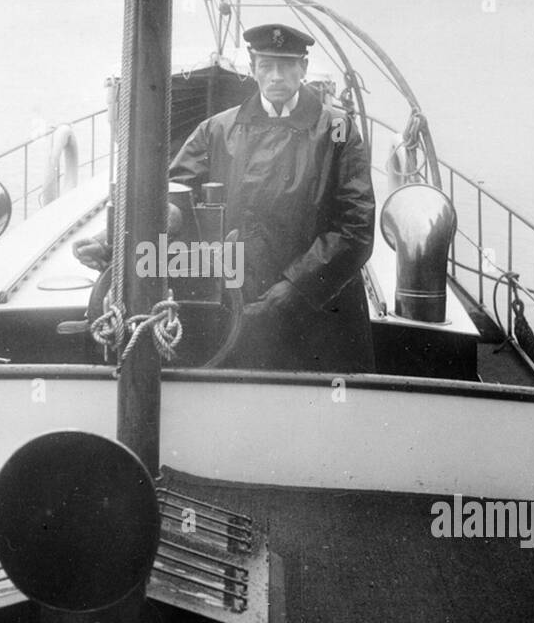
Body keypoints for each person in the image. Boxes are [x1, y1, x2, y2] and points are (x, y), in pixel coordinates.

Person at [77, 23, 376, 372]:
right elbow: (171, 199)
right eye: (266, 66)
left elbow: (355, 227)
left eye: (286, 66)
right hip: (241, 306)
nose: (276, 76)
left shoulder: (337, 129)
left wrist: (295, 289)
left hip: (317, 308)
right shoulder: (217, 129)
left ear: (303, 68)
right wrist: (110, 240)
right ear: (253, 68)